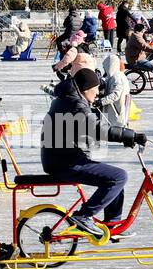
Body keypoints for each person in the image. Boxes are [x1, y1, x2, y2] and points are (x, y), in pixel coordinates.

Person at [41, 67, 146, 240]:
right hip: (65, 162)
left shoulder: (70, 99)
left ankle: (111, 226)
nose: (98, 92)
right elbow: (97, 129)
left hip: (63, 158)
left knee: (114, 177)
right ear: (86, 89)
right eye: (96, 88)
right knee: (118, 177)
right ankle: (83, 216)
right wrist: (129, 135)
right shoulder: (75, 104)